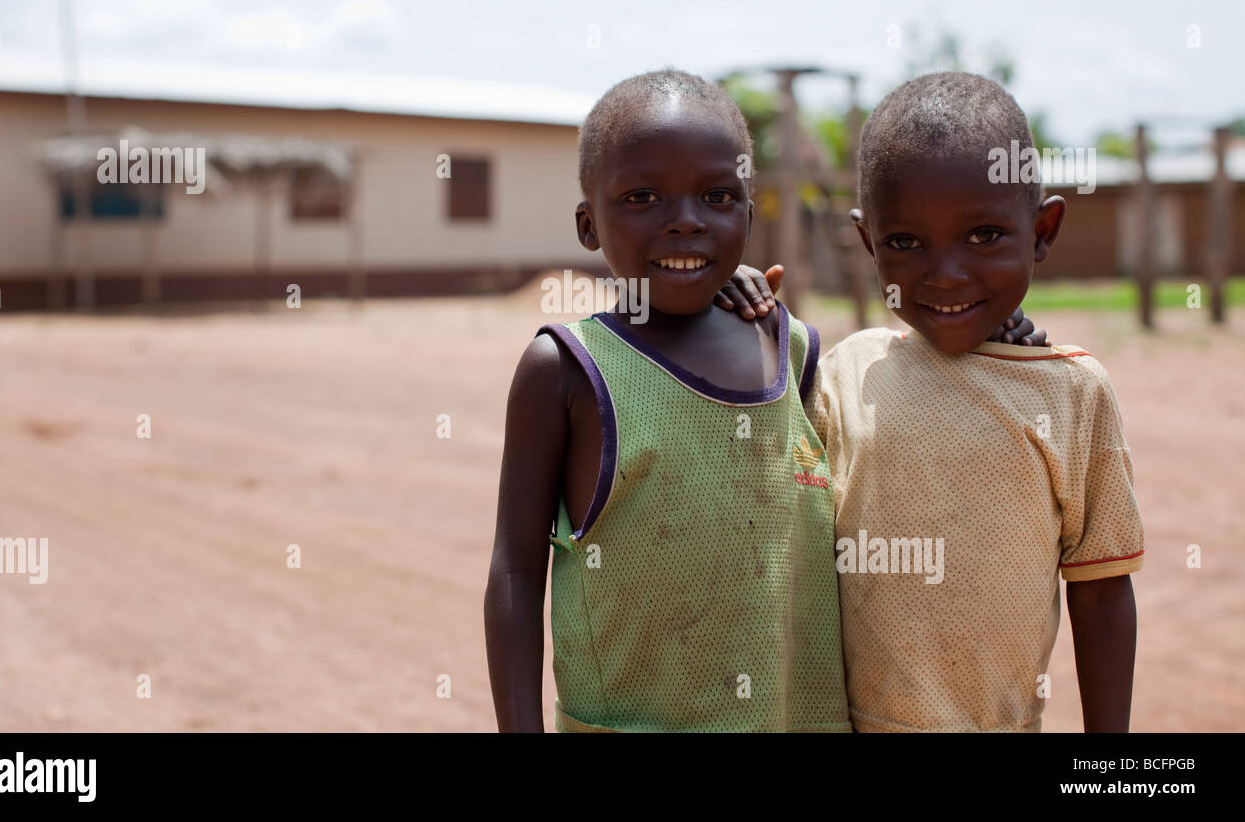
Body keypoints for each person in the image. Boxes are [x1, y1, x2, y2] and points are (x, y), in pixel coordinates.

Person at [731, 71, 1142, 732]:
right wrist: (734, 309)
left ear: (1042, 231)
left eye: (983, 236)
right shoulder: (845, 374)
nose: (946, 273)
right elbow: (755, 496)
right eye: (905, 243)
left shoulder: (1071, 393)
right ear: (869, 244)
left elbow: (1100, 591)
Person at [483, 68, 851, 732]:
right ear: (588, 225)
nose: (685, 223)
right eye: (643, 196)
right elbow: (515, 569)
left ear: (747, 209)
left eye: (717, 196)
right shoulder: (567, 371)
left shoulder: (789, 350)